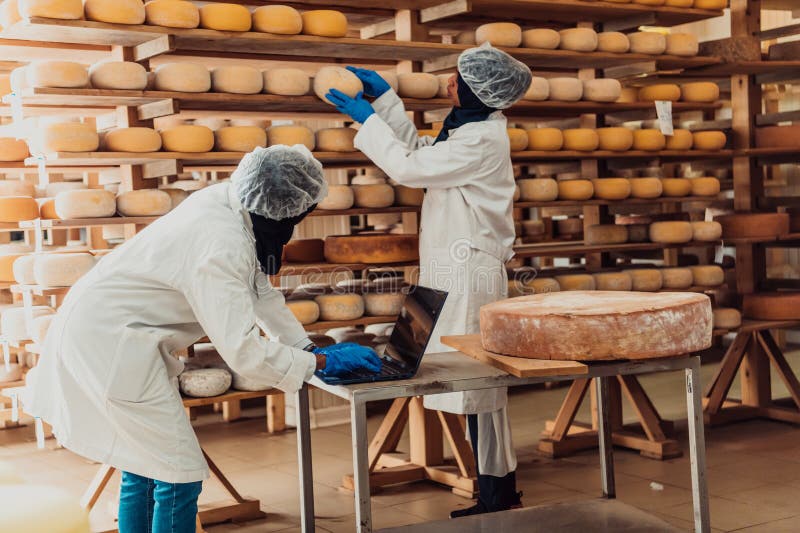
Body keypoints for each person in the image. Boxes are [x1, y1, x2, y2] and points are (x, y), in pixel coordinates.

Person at [25, 145, 382, 533]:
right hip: (111, 346)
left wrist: (305, 347)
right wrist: (321, 362)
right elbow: (243, 353)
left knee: (143, 465)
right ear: (281, 210)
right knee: (180, 472)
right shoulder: (221, 243)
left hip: (106, 333)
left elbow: (258, 289)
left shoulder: (230, 202)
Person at [326, 43, 532, 518]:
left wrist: (366, 120)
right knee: (468, 383)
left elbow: (409, 168)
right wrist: (385, 104)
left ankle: (497, 492)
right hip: (449, 264)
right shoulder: (467, 130)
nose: (450, 82)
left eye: (460, 78)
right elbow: (421, 154)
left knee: (478, 385)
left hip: (469, 271)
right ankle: (496, 489)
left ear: (480, 92)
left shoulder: (482, 140)